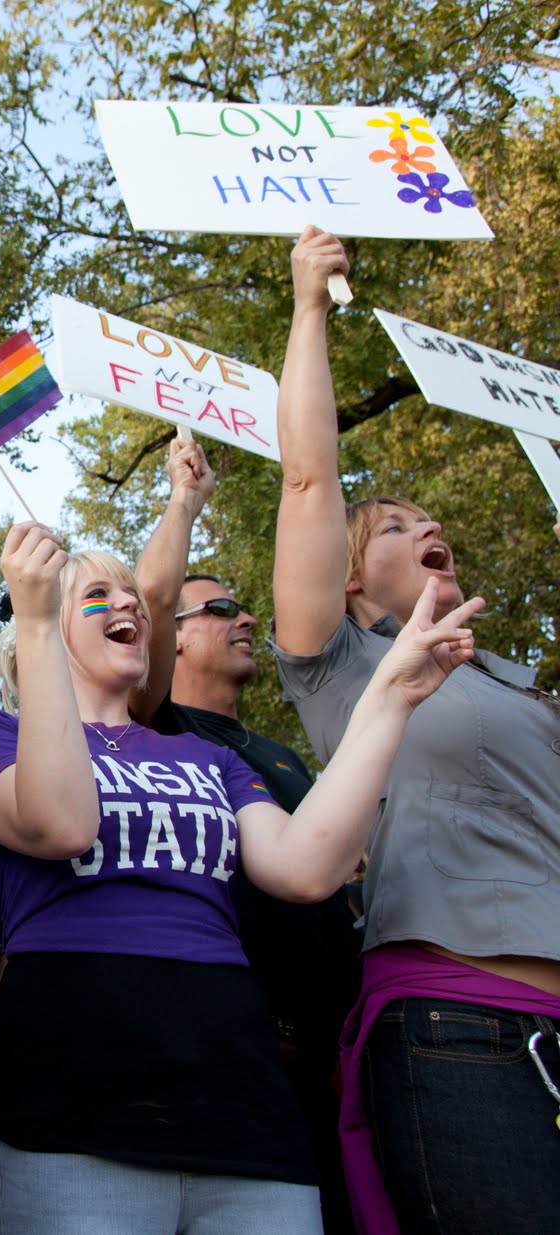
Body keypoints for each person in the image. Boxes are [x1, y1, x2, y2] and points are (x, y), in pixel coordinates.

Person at [0, 519, 480, 1235]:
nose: (129, 605)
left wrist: (391, 696)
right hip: (76, 1101)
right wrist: (37, 620)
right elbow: (62, 824)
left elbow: (306, 867)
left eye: (133, 597)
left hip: (239, 1097)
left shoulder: (209, 758)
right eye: (98, 596)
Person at [272, 226, 560, 1235]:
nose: (426, 525)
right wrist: (309, 304)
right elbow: (309, 479)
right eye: (393, 524)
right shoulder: (348, 663)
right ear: (352, 579)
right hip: (462, 1031)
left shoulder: (525, 687)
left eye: (427, 518)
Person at [139, 437, 361, 1234]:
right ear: (174, 635)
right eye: (220, 608)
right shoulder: (155, 731)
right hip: (239, 1053)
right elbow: (152, 596)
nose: (245, 619)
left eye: (244, 608)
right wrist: (184, 501)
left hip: (343, 1054)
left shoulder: (280, 755)